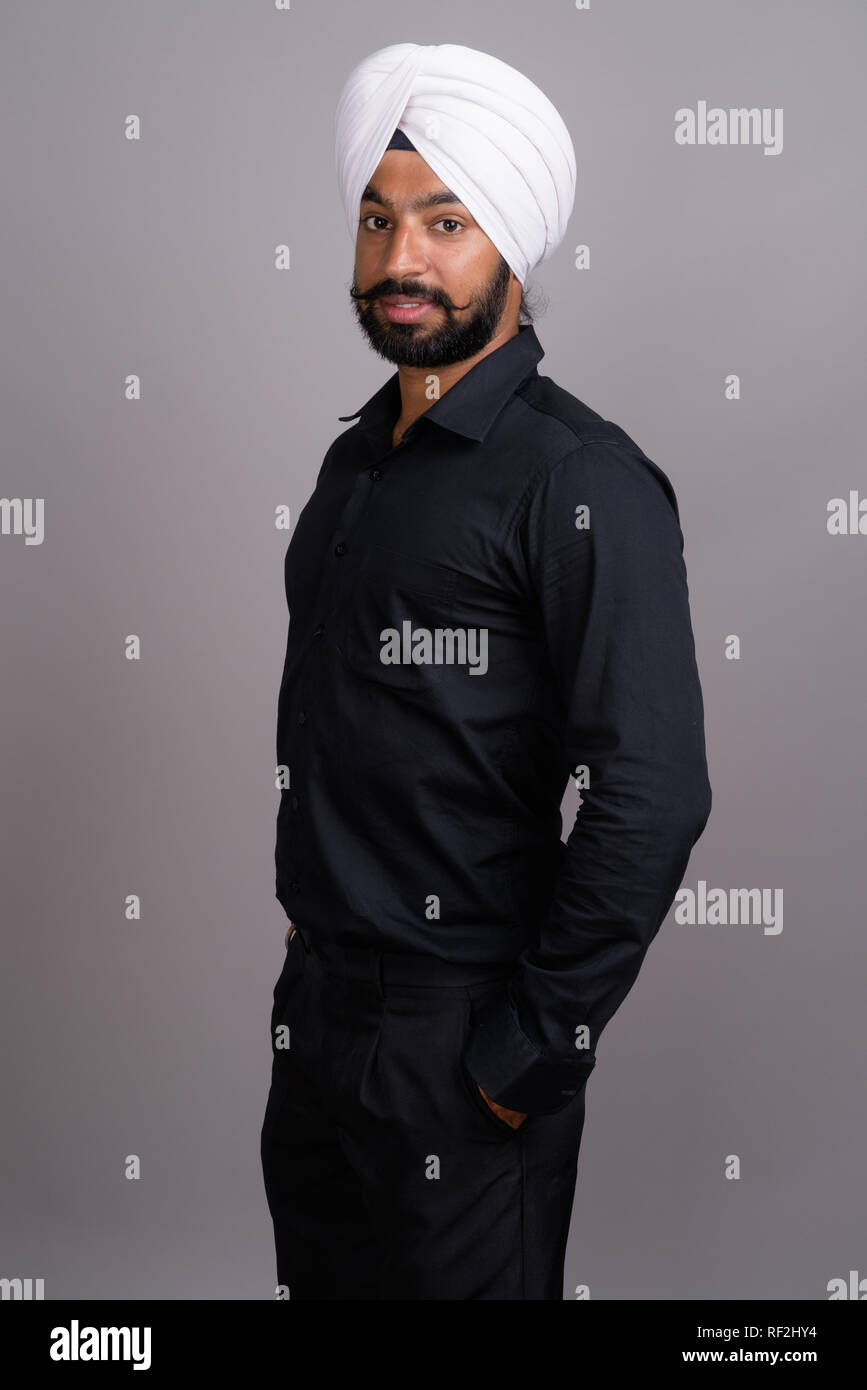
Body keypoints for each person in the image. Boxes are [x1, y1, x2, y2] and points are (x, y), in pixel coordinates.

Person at [260, 42, 712, 1301]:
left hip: (463, 1041)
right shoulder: (356, 461)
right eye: (378, 219)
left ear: (511, 246)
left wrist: (527, 1052)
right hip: (320, 1023)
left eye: (446, 222)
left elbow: (655, 791)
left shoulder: (581, 480)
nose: (402, 259)